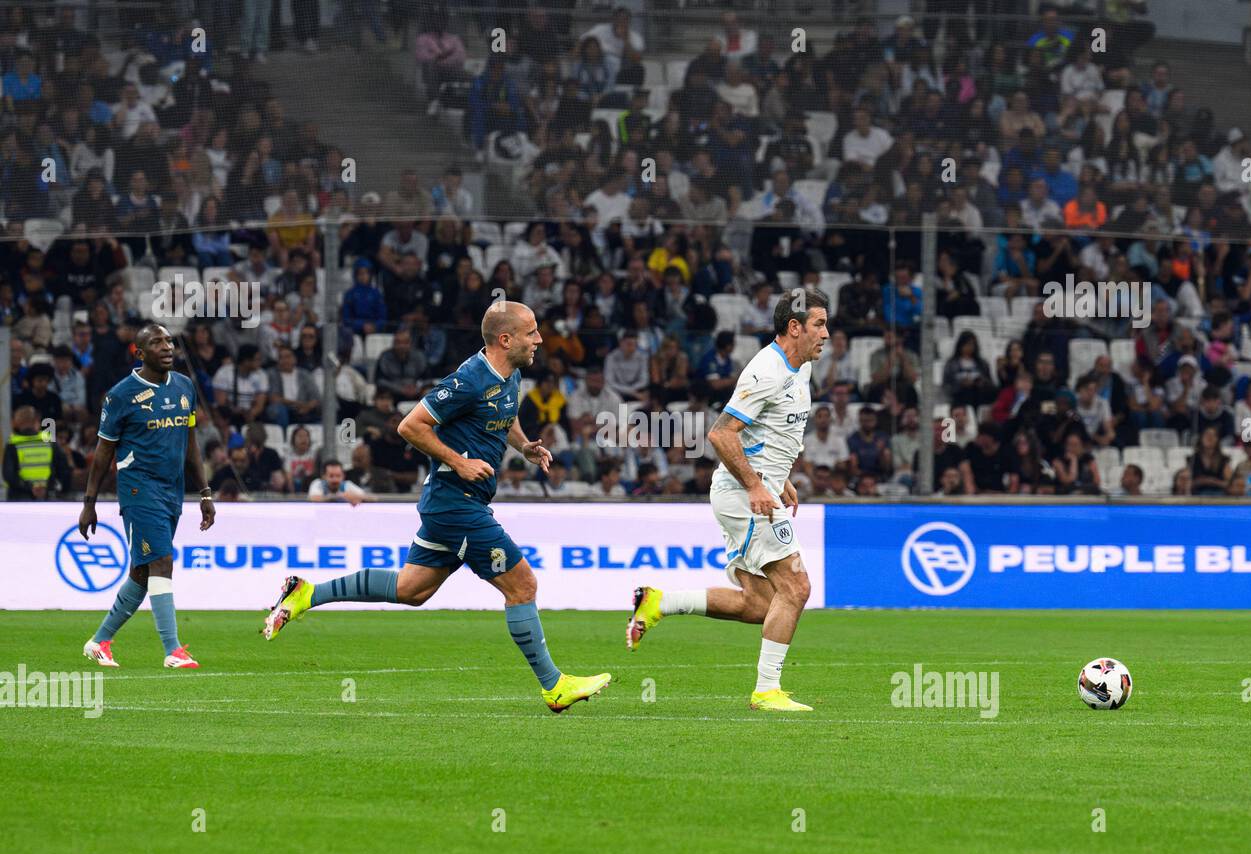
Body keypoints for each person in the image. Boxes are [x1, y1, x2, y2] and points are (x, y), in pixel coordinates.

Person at [261, 302, 611, 714]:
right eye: (531, 332)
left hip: (456, 503)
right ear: (505, 339)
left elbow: (506, 413)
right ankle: (554, 686)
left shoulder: (511, 374)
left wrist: (524, 446)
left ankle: (305, 594)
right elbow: (409, 426)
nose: (538, 340)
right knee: (523, 586)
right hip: (454, 504)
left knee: (412, 589)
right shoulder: (468, 379)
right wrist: (460, 462)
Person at [625, 288, 830, 713]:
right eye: (819, 324)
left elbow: (774, 432)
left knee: (760, 604)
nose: (826, 333)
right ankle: (767, 690)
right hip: (744, 494)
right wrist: (758, 484)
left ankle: (662, 602)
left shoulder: (801, 366)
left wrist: (781, 476)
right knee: (796, 586)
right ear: (795, 327)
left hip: (755, 488)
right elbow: (721, 433)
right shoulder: (767, 372)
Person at [79, 323, 215, 670]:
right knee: (162, 562)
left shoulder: (185, 387)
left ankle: (100, 642)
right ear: (139, 353)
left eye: (169, 340)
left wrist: (205, 492)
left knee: (142, 572)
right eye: (157, 342)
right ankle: (173, 650)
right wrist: (89, 504)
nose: (167, 346)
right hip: (139, 489)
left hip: (172, 491)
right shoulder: (120, 395)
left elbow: (191, 445)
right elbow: (103, 452)